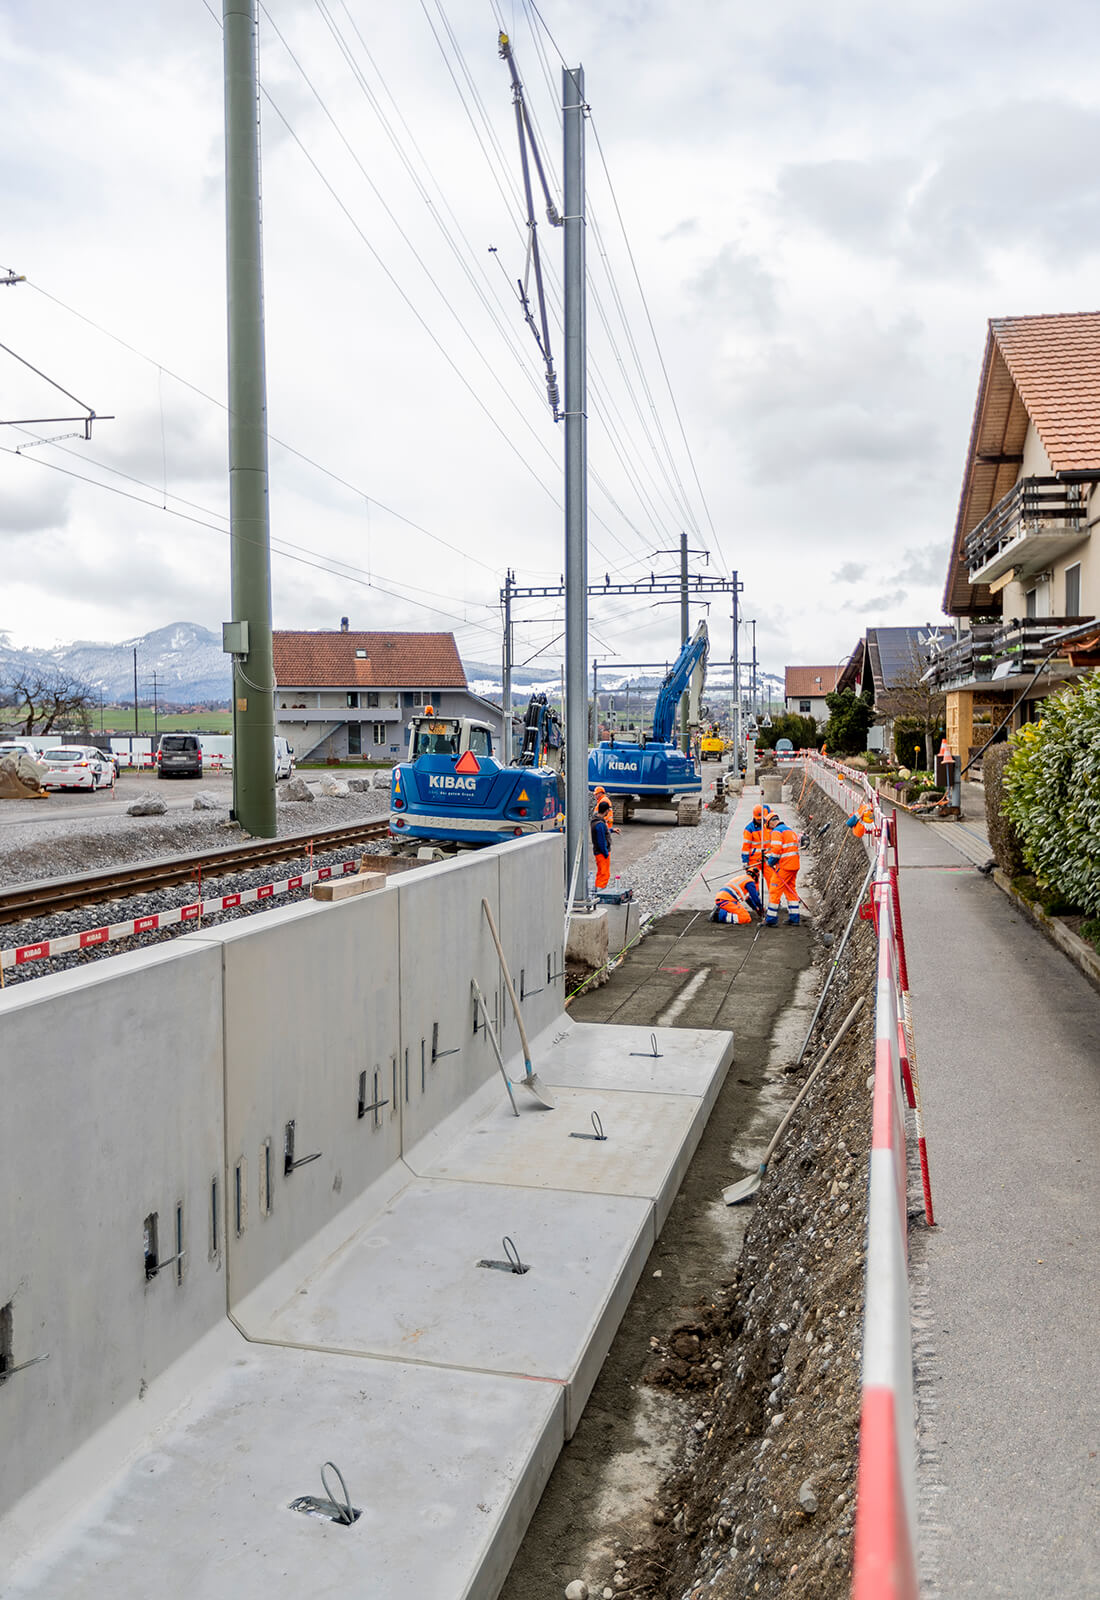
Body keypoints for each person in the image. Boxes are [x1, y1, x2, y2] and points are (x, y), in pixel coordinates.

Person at [763, 810, 801, 926]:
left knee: (774, 890)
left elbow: (776, 851)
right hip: (794, 865)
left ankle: (771, 919)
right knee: (790, 890)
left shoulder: (776, 832)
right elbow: (786, 849)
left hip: (784, 866)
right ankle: (794, 918)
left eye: (769, 826)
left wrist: (770, 862)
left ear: (771, 823)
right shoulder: (790, 831)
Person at [591, 802, 613, 890]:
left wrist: (612, 830)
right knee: (604, 874)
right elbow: (601, 841)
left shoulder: (596, 821)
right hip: (601, 853)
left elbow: (603, 832)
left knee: (600, 873)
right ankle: (600, 893)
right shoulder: (599, 824)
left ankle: (598, 890)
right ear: (606, 811)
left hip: (599, 852)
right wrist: (606, 853)